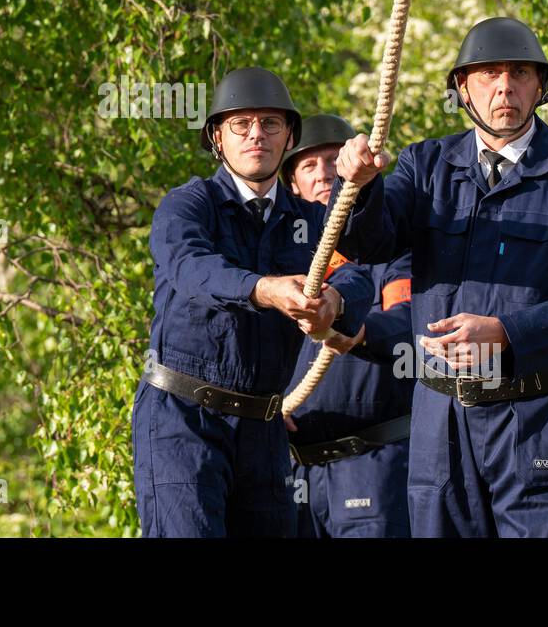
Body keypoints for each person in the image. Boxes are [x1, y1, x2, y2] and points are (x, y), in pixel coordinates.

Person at [332, 17, 548, 537]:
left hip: (535, 422)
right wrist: (359, 187)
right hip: (437, 425)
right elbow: (371, 242)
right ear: (462, 89)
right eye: (488, 73)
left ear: (541, 86)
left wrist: (507, 333)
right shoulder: (425, 165)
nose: (504, 86)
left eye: (520, 72)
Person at [132, 67, 387, 537]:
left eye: (270, 124)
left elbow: (356, 276)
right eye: (241, 124)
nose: (256, 135)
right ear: (217, 137)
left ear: (288, 136)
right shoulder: (188, 205)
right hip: (183, 423)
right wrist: (264, 289)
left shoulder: (311, 220)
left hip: (264, 432)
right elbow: (191, 268)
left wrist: (334, 299)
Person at [280, 113, 414, 538]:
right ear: (292, 185)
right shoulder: (275, 264)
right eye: (307, 166)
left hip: (372, 465)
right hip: (293, 474)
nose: (322, 175)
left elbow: (413, 324)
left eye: (331, 161)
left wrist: (359, 333)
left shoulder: (388, 248)